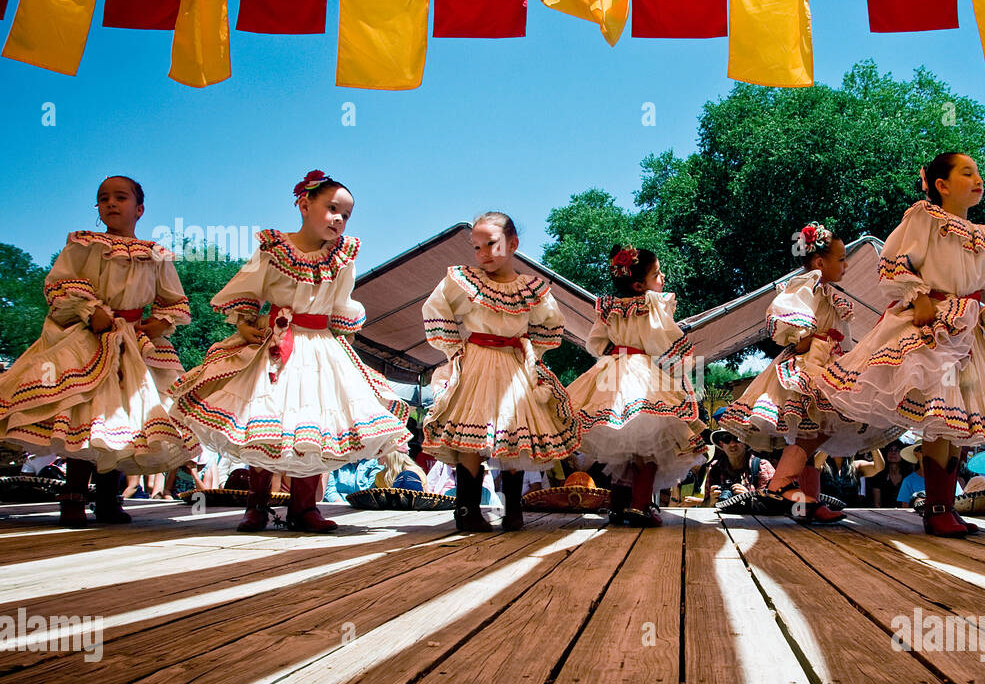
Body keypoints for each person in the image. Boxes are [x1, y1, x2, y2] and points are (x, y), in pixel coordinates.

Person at [170, 170, 410, 533]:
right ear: (304, 204)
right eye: (332, 209)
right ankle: (257, 503)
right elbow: (248, 289)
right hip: (278, 344)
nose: (339, 219)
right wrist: (246, 323)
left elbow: (342, 304)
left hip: (320, 348)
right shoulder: (274, 248)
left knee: (314, 424)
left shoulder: (343, 256)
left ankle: (304, 506)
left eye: (346, 214)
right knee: (267, 419)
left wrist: (343, 345)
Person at [823, 154, 985, 537]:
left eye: (978, 172)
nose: (977, 179)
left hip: (969, 329)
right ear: (941, 184)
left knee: (958, 419)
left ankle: (945, 507)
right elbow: (895, 260)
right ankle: (936, 508)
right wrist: (918, 294)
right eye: (966, 173)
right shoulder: (924, 219)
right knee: (942, 415)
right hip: (935, 326)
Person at [0, 175, 198, 526]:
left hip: (135, 345)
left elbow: (175, 301)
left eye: (120, 197)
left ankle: (107, 498)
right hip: (91, 338)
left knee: (125, 420)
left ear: (139, 209)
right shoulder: (83, 244)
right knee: (86, 414)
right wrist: (90, 310)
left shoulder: (156, 254)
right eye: (103, 198)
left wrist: (160, 322)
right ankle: (73, 495)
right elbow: (60, 283)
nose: (110, 203)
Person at [420, 212, 580, 532]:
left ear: (512, 243)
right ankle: (466, 509)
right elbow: (435, 308)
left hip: (512, 361)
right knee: (473, 432)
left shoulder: (533, 289)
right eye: (476, 247)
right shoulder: (463, 280)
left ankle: (513, 510)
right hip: (477, 359)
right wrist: (454, 348)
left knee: (512, 431)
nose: (482, 254)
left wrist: (530, 350)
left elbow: (551, 323)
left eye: (490, 244)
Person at [721, 222, 882, 523]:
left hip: (825, 367)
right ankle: (781, 483)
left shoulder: (828, 294)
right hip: (807, 367)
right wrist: (805, 337)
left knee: (818, 429)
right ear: (821, 262)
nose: (846, 265)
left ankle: (792, 490)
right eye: (842, 258)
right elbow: (786, 317)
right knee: (817, 427)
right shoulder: (806, 285)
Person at [565, 245, 706, 526]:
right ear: (640, 284)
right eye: (657, 273)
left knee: (625, 449)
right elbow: (662, 341)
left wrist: (615, 352)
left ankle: (618, 507)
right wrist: (679, 365)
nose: (662, 277)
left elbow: (595, 343)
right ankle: (641, 506)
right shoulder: (653, 304)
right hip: (643, 374)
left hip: (614, 371)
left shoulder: (608, 308)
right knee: (649, 450)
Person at [692, 429, 775, 507]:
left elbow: (774, 503)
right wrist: (711, 501)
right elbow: (705, 504)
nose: (732, 444)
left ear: (746, 442)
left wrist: (749, 497)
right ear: (721, 444)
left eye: (737, 438)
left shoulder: (761, 467)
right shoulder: (714, 469)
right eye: (726, 439)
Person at [865, 440, 912, 508]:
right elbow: (877, 504)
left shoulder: (908, 475)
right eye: (890, 450)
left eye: (897, 450)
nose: (893, 453)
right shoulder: (879, 476)